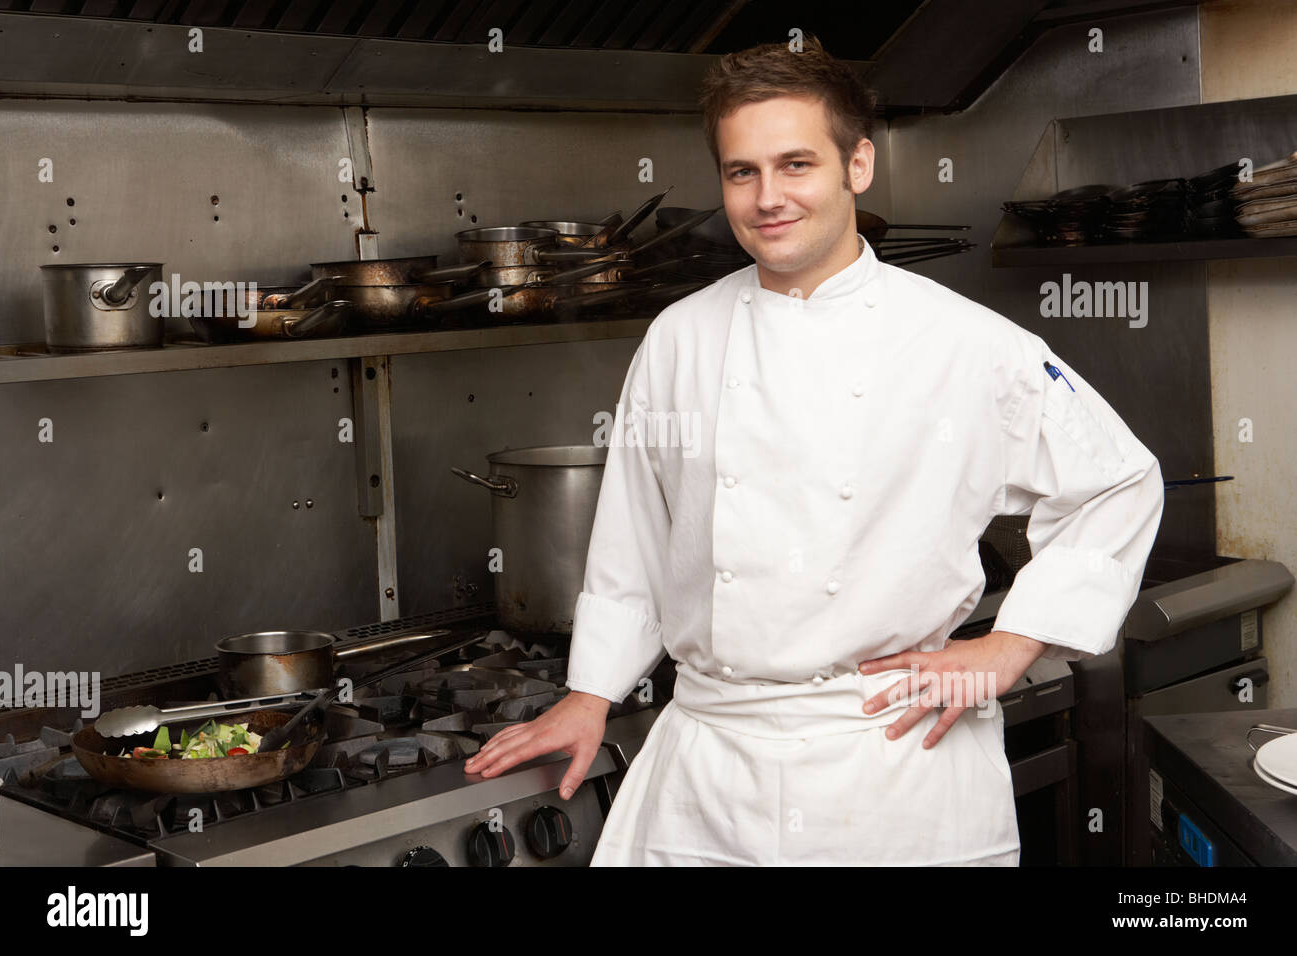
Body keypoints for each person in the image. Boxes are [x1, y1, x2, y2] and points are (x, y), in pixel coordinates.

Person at [463, 36, 1164, 866]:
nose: (768, 198)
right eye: (742, 172)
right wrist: (591, 692)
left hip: (892, 760)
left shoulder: (966, 343)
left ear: (857, 166)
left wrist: (1012, 645)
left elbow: (1118, 482)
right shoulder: (679, 338)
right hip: (710, 769)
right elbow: (635, 542)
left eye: (796, 164)